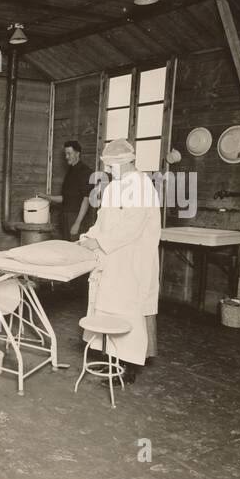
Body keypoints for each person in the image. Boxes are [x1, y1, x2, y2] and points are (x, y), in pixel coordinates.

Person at [79, 138, 161, 383]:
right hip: (113, 259)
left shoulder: (143, 187)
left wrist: (100, 242)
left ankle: (129, 368)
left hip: (133, 261)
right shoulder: (115, 186)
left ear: (128, 162)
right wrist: (88, 237)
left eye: (112, 166)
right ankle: (112, 360)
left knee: (129, 313)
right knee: (108, 310)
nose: (108, 171)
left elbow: (131, 228)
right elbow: (103, 220)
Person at [41, 140, 94, 240]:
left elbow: (86, 199)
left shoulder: (85, 171)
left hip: (76, 217)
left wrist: (77, 223)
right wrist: (46, 197)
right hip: (66, 217)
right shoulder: (70, 171)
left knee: (75, 249)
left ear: (78, 153)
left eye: (69, 154)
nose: (66, 157)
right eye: (65, 154)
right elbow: (65, 198)